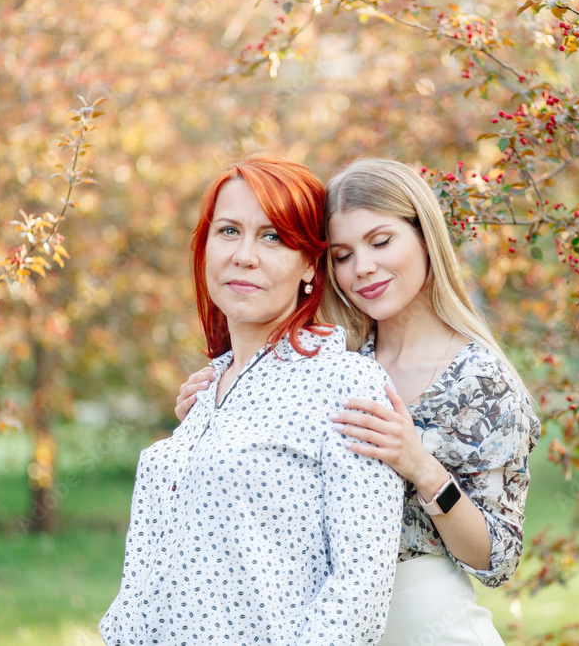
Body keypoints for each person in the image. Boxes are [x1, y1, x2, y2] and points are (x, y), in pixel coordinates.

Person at [176, 158, 540, 645]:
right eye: (342, 255)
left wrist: (422, 467)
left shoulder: (479, 381)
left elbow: (496, 559)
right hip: (315, 620)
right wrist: (215, 416)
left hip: (423, 624)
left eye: (381, 242)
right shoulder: (337, 359)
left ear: (425, 236)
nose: (362, 268)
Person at [100, 155, 404, 645]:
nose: (244, 255)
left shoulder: (345, 383)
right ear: (204, 248)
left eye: (272, 237)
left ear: (310, 262)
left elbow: (359, 588)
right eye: (228, 231)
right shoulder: (206, 391)